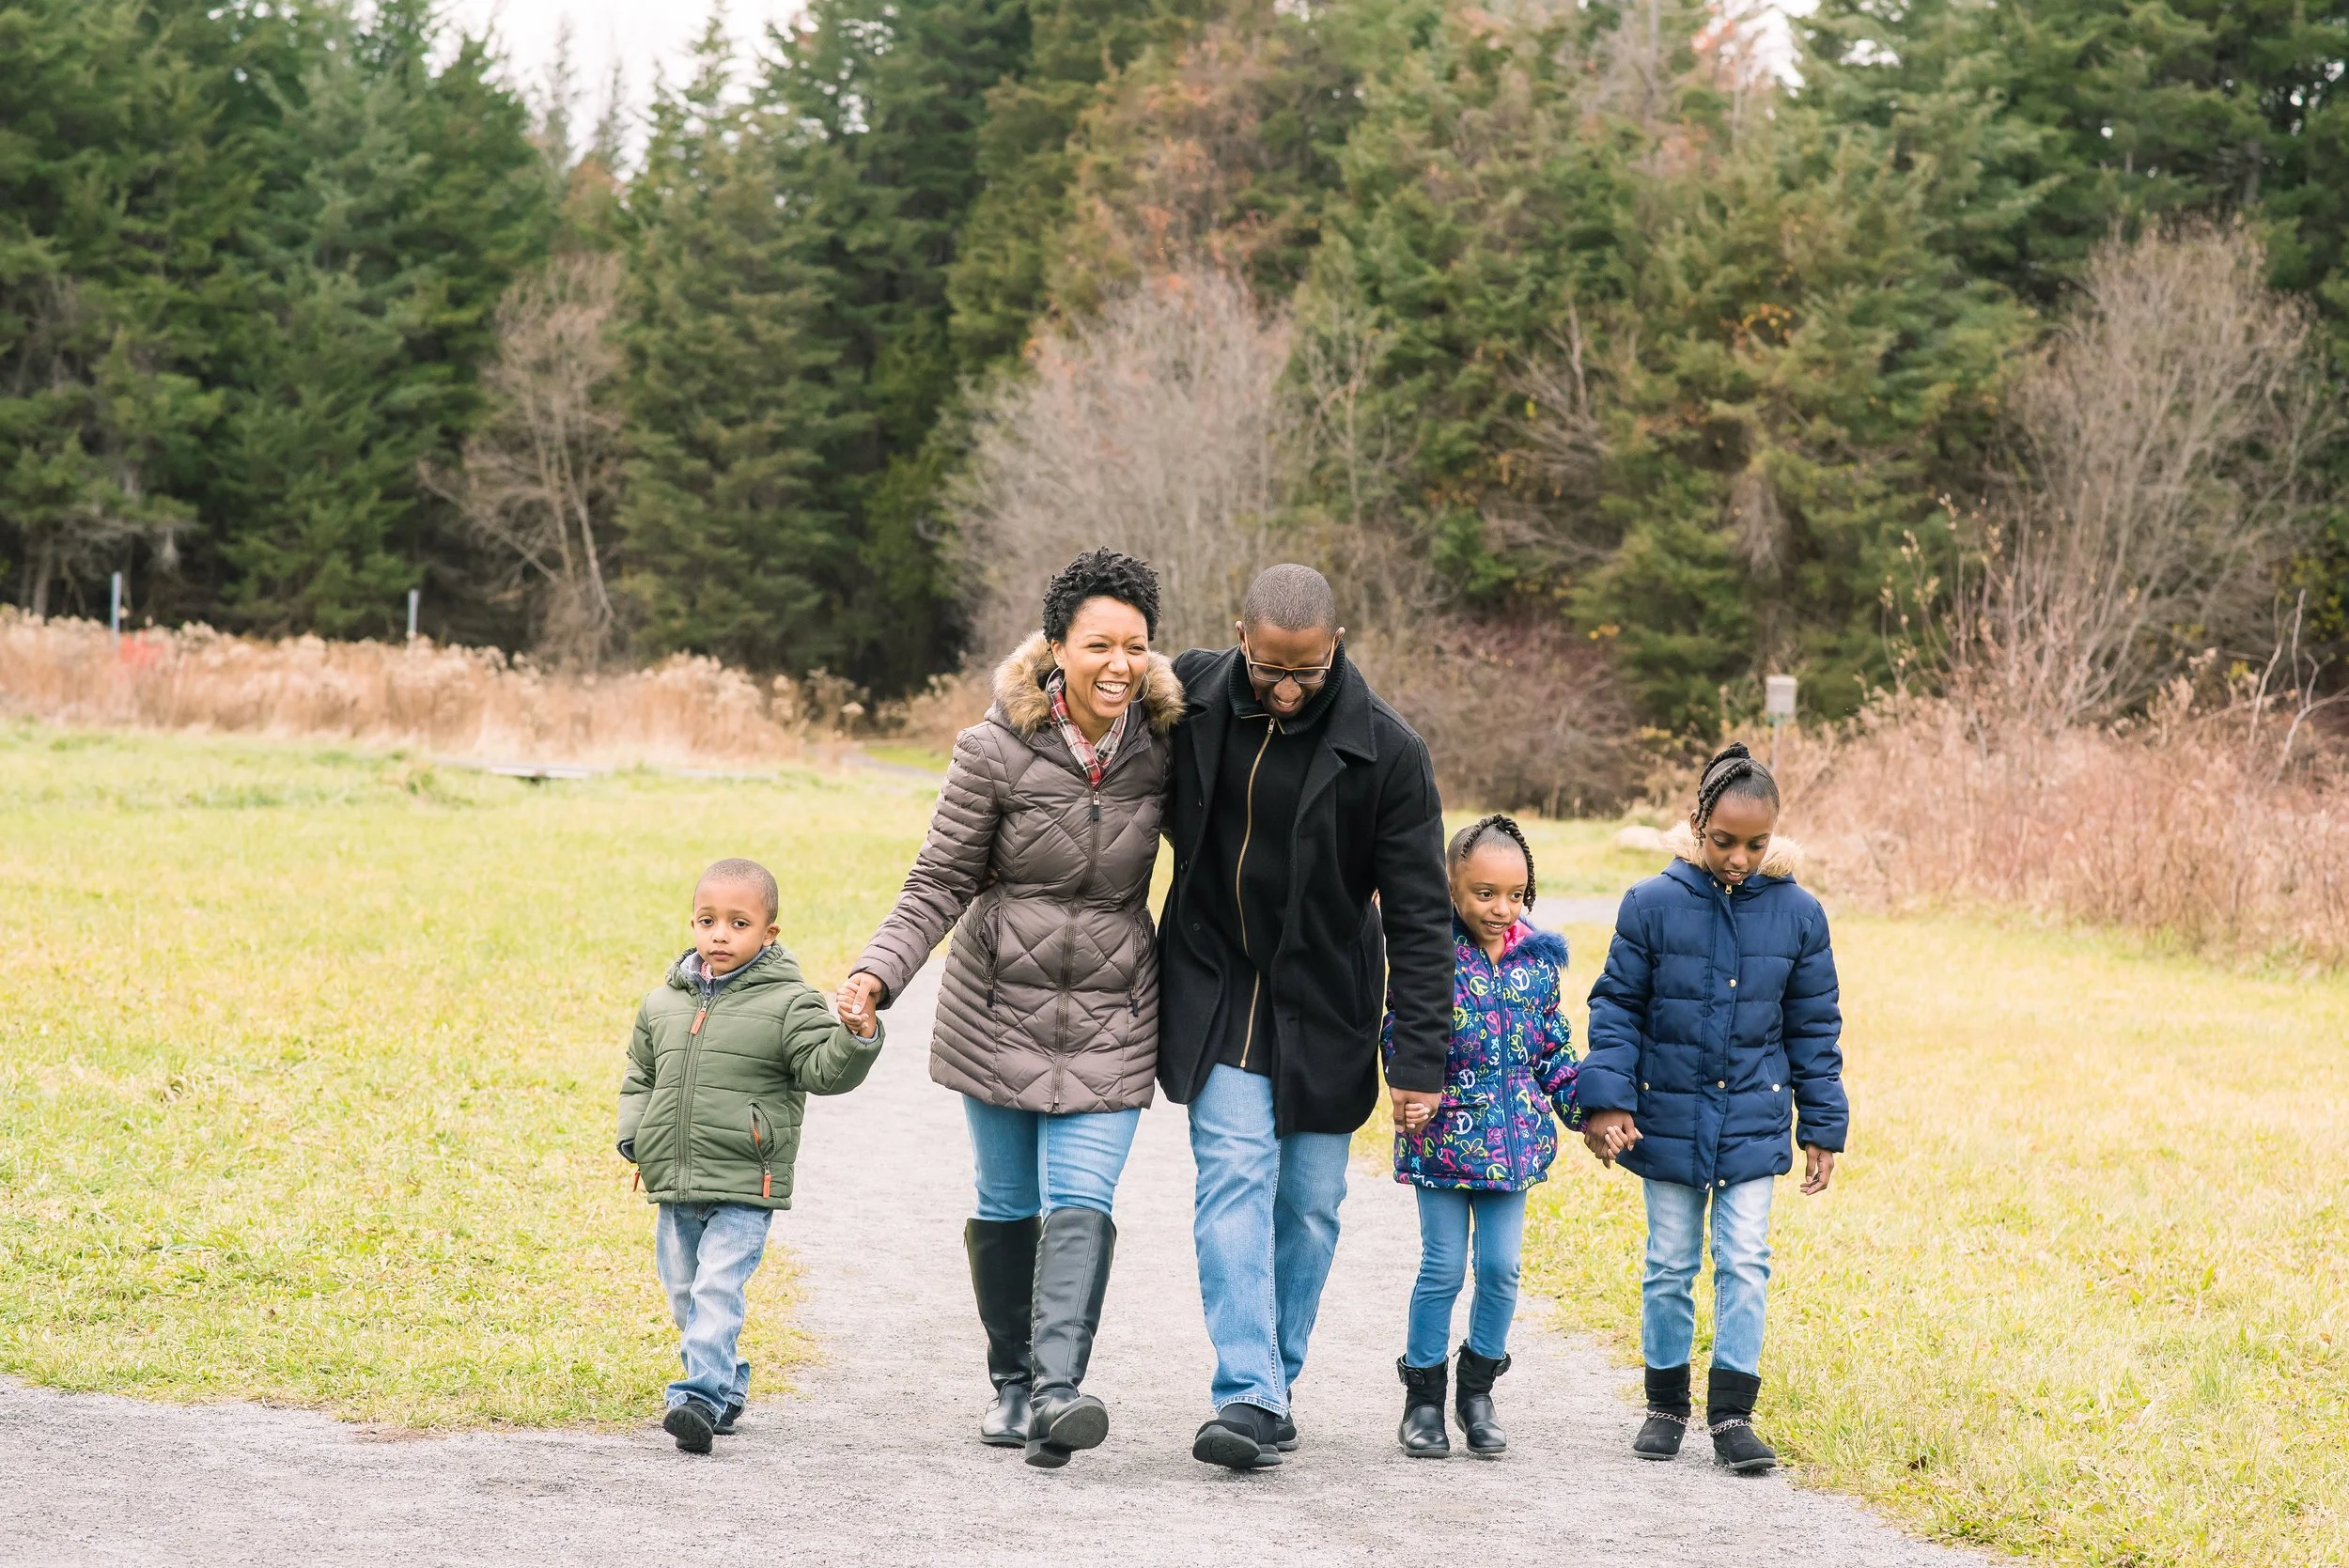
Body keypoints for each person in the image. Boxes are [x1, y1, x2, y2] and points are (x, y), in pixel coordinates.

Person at [837, 549, 1183, 1470]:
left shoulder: (1166, 747)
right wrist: (876, 975)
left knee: (1083, 1198)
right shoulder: (992, 749)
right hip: (995, 1005)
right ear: (1057, 647)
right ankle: (1014, 1382)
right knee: (1006, 1202)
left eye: (1136, 646)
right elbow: (938, 880)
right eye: (1099, 644)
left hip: (1113, 1008)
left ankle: (1059, 1391)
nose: (1119, 664)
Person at [1156, 563, 1455, 1470]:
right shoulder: (1190, 696)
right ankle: (1247, 1389)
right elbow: (1094, 703)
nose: (1286, 689)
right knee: (1234, 1176)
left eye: (1307, 671)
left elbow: (1420, 918)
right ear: (1240, 636)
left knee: (1312, 1206)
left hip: (1325, 999)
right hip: (1216, 977)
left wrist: (1420, 1061)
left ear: (1337, 647)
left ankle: (1275, 1382)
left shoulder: (1389, 754)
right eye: (1269, 668)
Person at [1578, 741, 1847, 1473]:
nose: (1739, 857)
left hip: (1753, 1120)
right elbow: (1616, 1007)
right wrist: (1606, 1100)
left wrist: (1822, 1124)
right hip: (1667, 1117)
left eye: (1757, 843)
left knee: (1746, 1260)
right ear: (1697, 823)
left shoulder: (1799, 914)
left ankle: (1733, 1415)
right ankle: (1666, 1404)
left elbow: (1814, 1027)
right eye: (1725, 840)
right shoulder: (1651, 904)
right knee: (1670, 1263)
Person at [616, 858, 883, 1454]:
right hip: (675, 1177)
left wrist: (857, 1034)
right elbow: (641, 1076)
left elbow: (824, 1071)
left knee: (716, 1289)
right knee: (684, 1292)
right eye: (707, 921)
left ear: (768, 933)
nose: (720, 935)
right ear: (692, 923)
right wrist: (636, 1136)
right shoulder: (662, 1004)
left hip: (744, 1181)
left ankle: (698, 1398)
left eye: (739, 924)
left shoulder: (790, 1003)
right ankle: (728, 1383)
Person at [1388, 815, 1583, 1460]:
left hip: (1512, 1150)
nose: (1502, 908)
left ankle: (1477, 1392)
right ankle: (1422, 1399)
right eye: (1485, 893)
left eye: (1515, 894)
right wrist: (1410, 1085)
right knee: (1442, 1267)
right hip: (1442, 1143)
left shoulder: (1537, 964)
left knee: (1501, 1270)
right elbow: (1400, 1029)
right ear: (1451, 887)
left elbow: (1554, 1050)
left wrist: (1587, 1112)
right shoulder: (1431, 955)